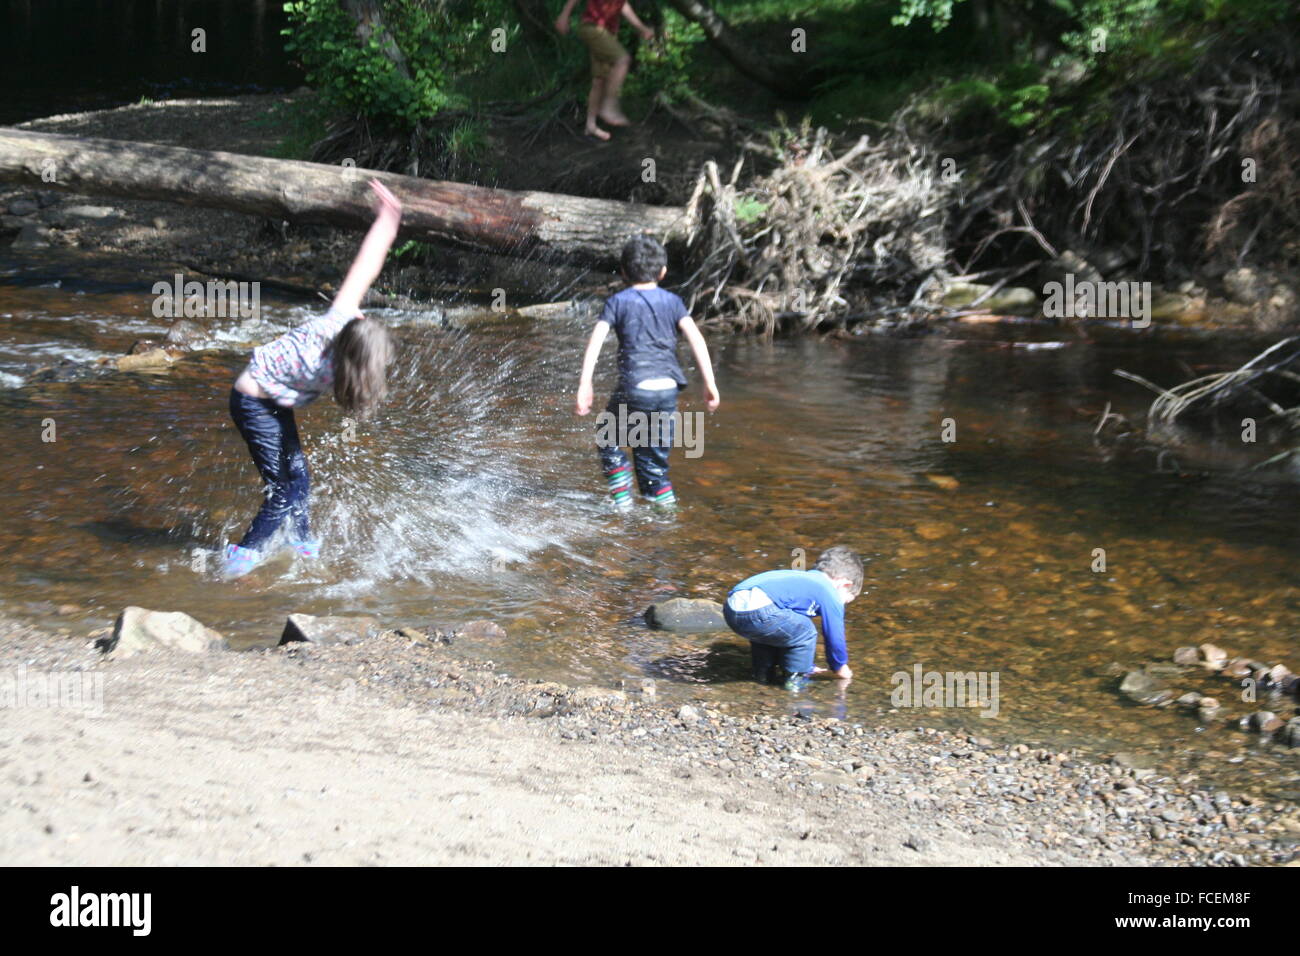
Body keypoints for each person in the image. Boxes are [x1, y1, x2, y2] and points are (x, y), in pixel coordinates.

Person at [223, 179, 402, 578]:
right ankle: (238, 562)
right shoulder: (321, 361)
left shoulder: (339, 323)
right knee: (283, 492)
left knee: (299, 477)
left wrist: (388, 223)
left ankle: (300, 543)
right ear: (354, 364)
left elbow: (364, 267)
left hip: (273, 400)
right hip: (252, 402)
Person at [575, 235, 719, 508]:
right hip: (666, 389)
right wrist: (709, 382)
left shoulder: (617, 302)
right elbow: (696, 338)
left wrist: (585, 383)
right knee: (652, 460)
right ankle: (664, 515)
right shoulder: (673, 302)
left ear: (624, 271)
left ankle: (622, 501)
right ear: (663, 272)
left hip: (635, 388)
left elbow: (596, 341)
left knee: (609, 439)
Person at [723, 546, 864, 690]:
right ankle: (795, 683)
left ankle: (763, 674)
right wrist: (839, 666)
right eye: (846, 601)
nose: (843, 605)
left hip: (732, 608)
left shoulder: (802, 580)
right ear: (845, 584)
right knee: (806, 632)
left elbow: (787, 630)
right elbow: (834, 636)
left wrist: (808, 663)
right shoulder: (828, 590)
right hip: (760, 610)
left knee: (777, 630)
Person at [554, 0, 655, 141]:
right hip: (593, 27)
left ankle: (590, 126)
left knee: (599, 80)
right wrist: (564, 16)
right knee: (623, 60)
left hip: (606, 33)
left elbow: (623, 6)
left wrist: (642, 29)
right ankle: (608, 105)